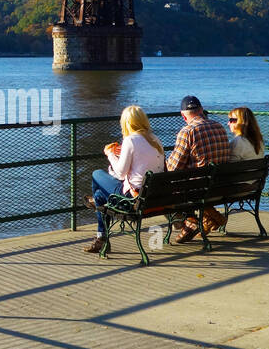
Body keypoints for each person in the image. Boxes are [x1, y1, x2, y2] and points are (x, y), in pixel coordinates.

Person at [84, 105, 165, 253]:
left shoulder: (131, 140)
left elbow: (121, 174)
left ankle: (101, 233)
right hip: (154, 197)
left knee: (96, 174)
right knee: (99, 196)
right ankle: (100, 233)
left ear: (126, 123)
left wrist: (110, 154)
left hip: (133, 200)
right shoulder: (155, 139)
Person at [166, 95, 230, 242]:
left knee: (164, 187)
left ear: (183, 116)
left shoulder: (187, 132)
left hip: (198, 190)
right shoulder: (219, 127)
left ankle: (189, 221)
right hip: (222, 187)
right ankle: (208, 215)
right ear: (201, 110)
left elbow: (172, 169)